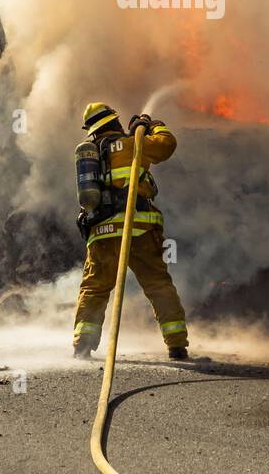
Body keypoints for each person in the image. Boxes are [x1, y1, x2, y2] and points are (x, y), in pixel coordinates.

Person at [71, 102, 189, 360]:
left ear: (93, 131)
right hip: (139, 228)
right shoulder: (132, 144)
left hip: (102, 233)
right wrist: (150, 124)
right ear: (114, 122)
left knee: (94, 288)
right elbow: (167, 144)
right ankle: (177, 345)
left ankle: (82, 346)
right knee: (158, 284)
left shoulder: (91, 155)